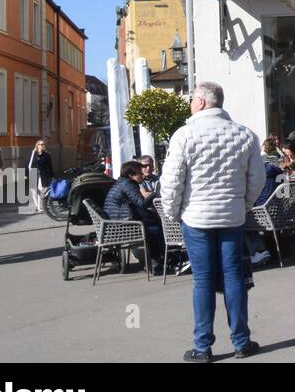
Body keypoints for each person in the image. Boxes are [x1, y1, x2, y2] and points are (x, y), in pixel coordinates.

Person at [160, 81, 266, 363]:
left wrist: (172, 212)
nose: (190, 103)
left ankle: (202, 347)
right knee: (234, 277)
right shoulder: (245, 135)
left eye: (192, 98)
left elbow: (172, 181)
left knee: (203, 280)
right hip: (231, 216)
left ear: (203, 102)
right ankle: (242, 341)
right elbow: (258, 178)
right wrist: (243, 205)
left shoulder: (184, 135)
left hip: (196, 218)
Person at [105, 160, 164, 273]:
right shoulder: (128, 184)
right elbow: (141, 203)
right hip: (120, 225)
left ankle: (157, 260)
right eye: (140, 173)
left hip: (114, 222)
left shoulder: (121, 183)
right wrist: (155, 194)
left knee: (154, 222)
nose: (142, 175)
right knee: (154, 228)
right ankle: (156, 263)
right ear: (131, 175)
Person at [25, 139, 53, 214]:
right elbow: (27, 164)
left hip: (42, 174)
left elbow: (50, 166)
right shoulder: (32, 154)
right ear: (37, 145)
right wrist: (26, 174)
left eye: (43, 144)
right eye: (40, 144)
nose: (42, 145)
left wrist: (51, 175)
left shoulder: (47, 155)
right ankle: (37, 206)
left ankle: (39, 207)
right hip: (33, 173)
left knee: (41, 190)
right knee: (34, 191)